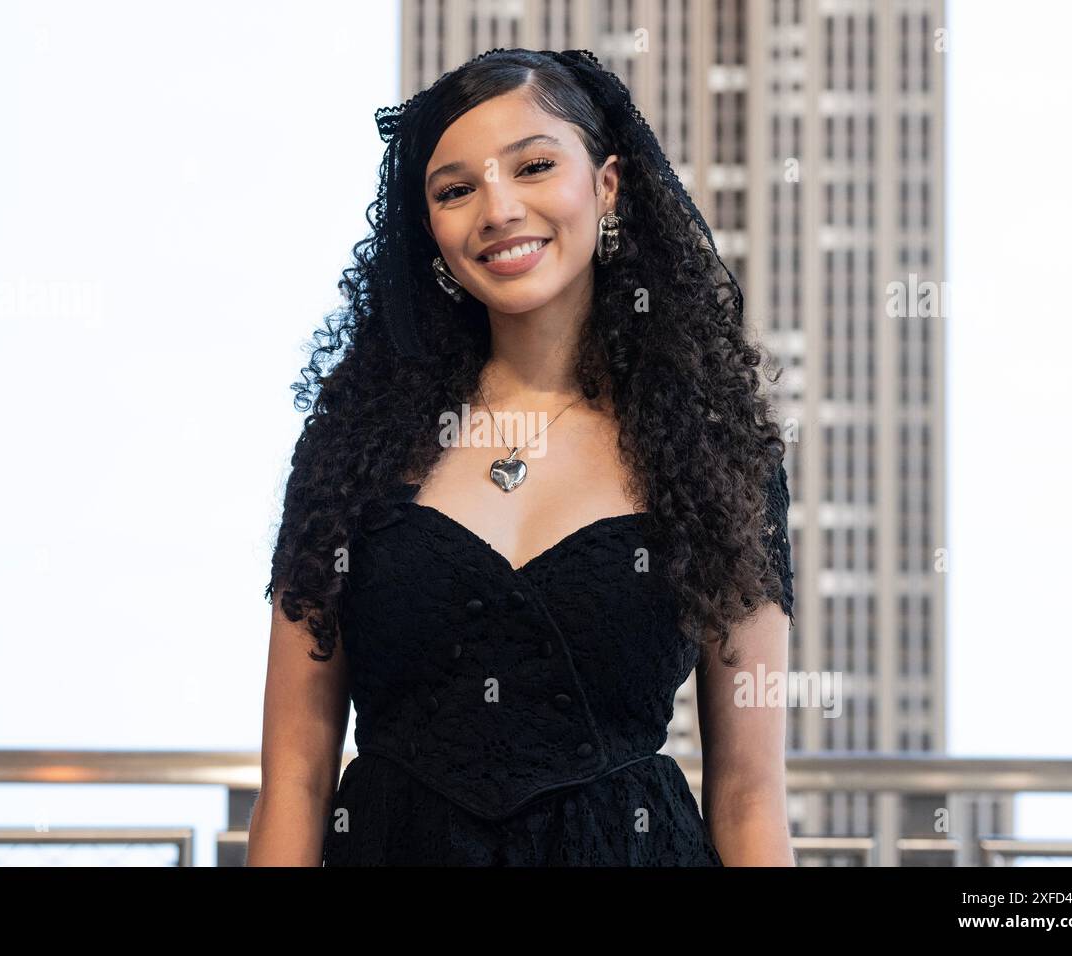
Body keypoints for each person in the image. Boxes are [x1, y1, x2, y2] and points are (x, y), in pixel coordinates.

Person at [246, 48, 796, 866]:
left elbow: (750, 797)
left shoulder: (714, 454)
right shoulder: (351, 446)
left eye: (533, 165)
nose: (498, 209)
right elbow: (294, 775)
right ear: (429, 227)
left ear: (606, 185)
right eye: (456, 189)